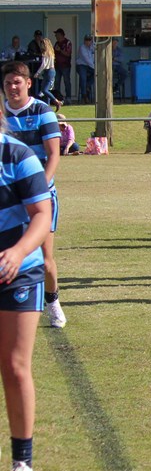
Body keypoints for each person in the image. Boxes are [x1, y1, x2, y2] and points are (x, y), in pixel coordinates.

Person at [0, 102, 53, 471]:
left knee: (15, 365)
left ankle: (23, 462)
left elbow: (41, 214)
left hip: (18, 271)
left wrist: (17, 253)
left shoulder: (17, 155)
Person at [2, 61, 66, 329]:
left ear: (28, 83)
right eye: (7, 83)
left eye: (17, 82)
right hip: (8, 198)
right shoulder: (2, 113)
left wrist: (37, 188)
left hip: (40, 196)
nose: (12, 87)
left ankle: (53, 301)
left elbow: (53, 155)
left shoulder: (42, 111)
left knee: (44, 256)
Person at [76, 35, 96, 103]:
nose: (88, 42)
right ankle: (84, 95)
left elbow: (96, 50)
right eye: (86, 40)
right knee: (83, 77)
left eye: (89, 40)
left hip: (89, 66)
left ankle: (87, 85)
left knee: (97, 74)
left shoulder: (92, 47)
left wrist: (94, 43)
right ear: (84, 41)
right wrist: (95, 68)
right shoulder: (82, 48)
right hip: (81, 65)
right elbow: (87, 60)